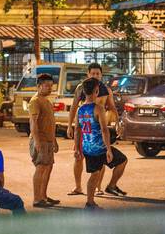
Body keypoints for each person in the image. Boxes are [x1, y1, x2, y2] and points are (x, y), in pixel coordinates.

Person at [73, 79, 127, 208]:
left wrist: (77, 148)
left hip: (87, 147)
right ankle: (103, 191)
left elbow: (77, 130)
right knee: (122, 161)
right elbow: (104, 130)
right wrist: (108, 149)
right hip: (99, 148)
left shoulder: (80, 110)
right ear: (96, 91)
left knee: (95, 173)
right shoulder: (98, 108)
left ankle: (92, 200)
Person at [68, 63, 118, 196]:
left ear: (101, 75)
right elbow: (74, 107)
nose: (95, 76)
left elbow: (112, 107)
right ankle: (78, 187)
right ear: (88, 74)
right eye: (93, 73)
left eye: (98, 73)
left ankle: (98, 187)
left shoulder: (106, 90)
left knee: (101, 159)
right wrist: (69, 125)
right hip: (84, 129)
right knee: (78, 157)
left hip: (98, 131)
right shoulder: (81, 88)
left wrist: (118, 122)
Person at [29, 72, 60, 207]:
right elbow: (33, 123)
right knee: (41, 167)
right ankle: (37, 199)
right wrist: (37, 141)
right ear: (39, 86)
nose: (50, 88)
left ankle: (43, 196)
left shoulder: (47, 101)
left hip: (48, 140)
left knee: (48, 167)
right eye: (47, 85)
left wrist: (54, 140)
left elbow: (50, 122)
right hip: (40, 140)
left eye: (51, 86)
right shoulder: (35, 101)